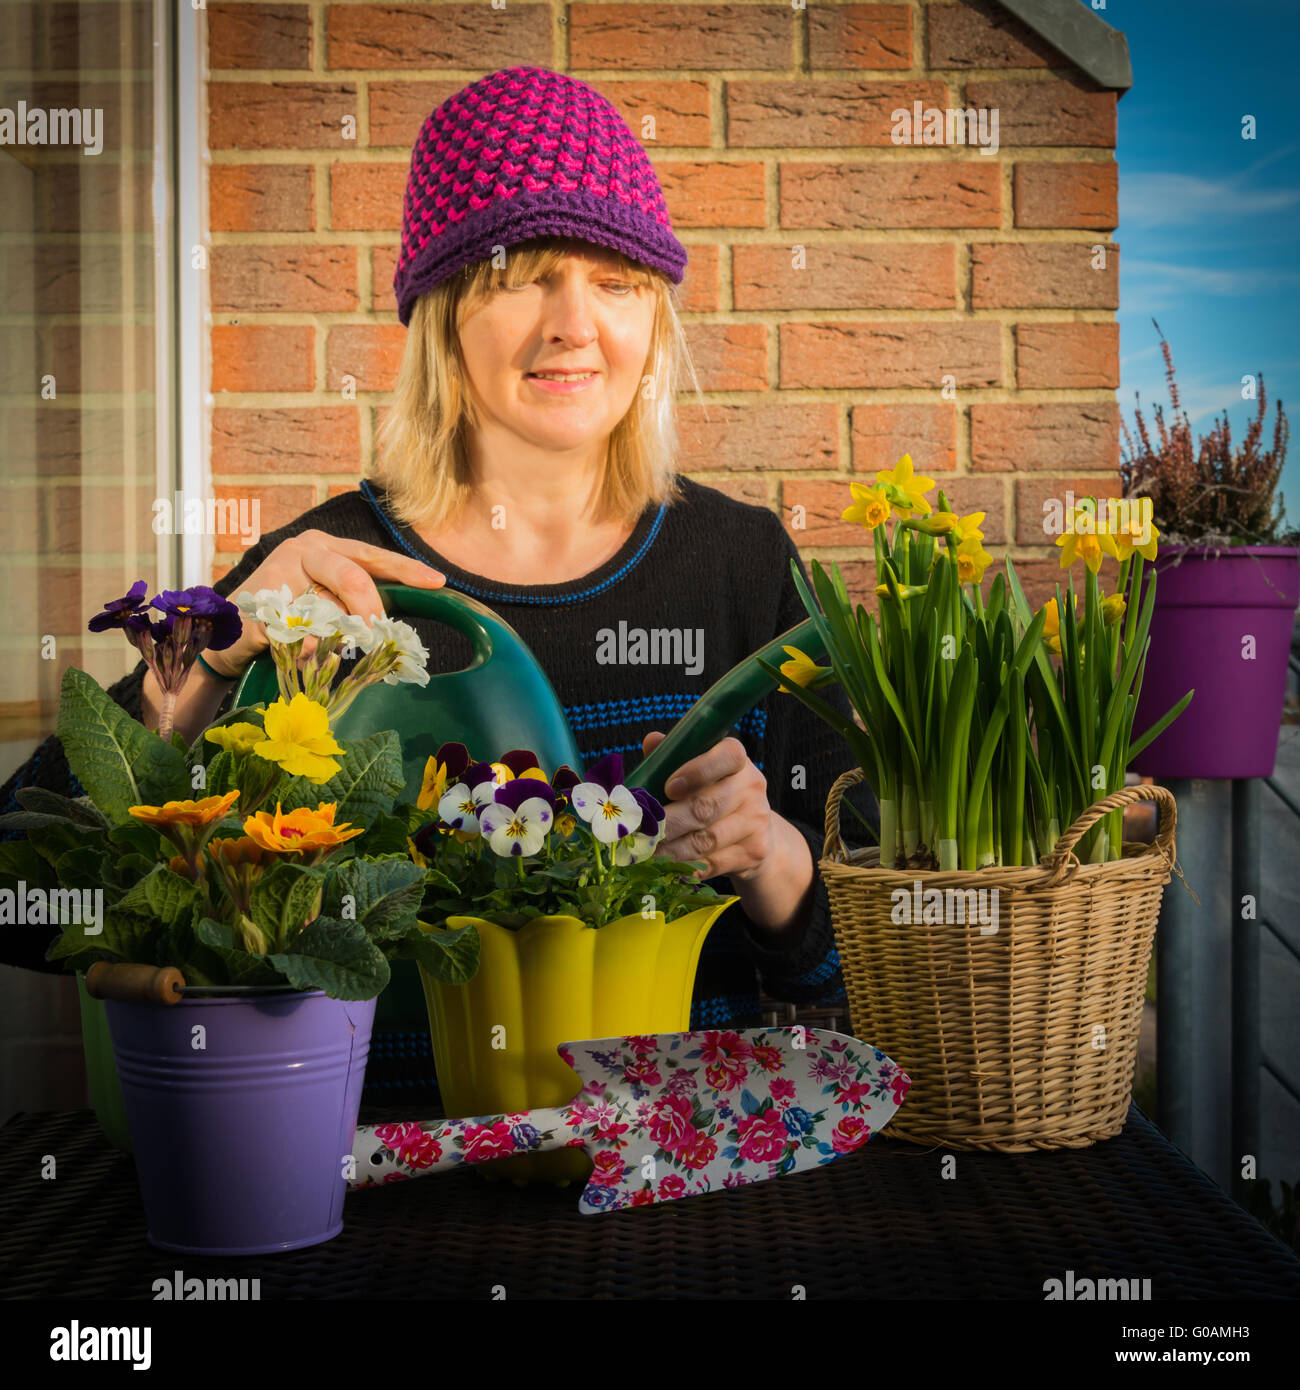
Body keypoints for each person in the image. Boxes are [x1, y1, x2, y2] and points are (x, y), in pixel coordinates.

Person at [0, 65, 876, 1034]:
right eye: (520, 278)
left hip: (674, 1168)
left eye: (615, 282)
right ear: (440, 318)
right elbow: (24, 898)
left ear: (653, 318)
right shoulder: (326, 570)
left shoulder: (741, 564)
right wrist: (209, 657)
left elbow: (871, 972)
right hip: (372, 1174)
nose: (573, 326)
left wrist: (774, 863)